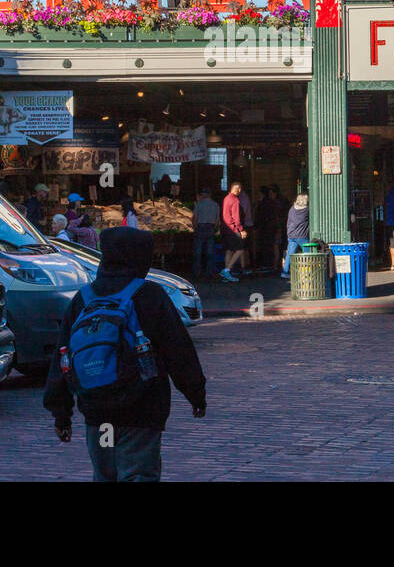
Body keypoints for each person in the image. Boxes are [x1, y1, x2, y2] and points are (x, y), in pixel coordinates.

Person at [43, 227, 206, 481]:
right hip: (141, 410)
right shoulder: (149, 295)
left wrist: (61, 414)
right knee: (137, 474)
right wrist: (195, 394)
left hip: (96, 410)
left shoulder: (83, 298)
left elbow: (62, 357)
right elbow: (178, 350)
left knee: (105, 475)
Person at [219, 182, 247, 283]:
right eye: (240, 189)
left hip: (225, 228)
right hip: (233, 229)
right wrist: (241, 229)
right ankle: (227, 270)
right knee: (240, 250)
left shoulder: (226, 198)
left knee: (229, 250)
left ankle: (226, 275)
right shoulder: (235, 200)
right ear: (238, 189)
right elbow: (236, 217)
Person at [191, 189, 220, 278]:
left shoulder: (199, 204)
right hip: (210, 228)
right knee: (210, 251)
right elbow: (217, 219)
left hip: (201, 227)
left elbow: (194, 218)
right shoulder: (215, 205)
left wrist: (195, 227)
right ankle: (209, 272)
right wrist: (215, 227)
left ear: (203, 195)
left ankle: (197, 272)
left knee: (198, 251)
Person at [282, 193, 310, 279]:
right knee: (309, 253)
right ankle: (308, 272)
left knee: (290, 254)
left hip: (291, 234)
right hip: (301, 236)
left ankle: (284, 272)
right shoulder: (307, 210)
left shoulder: (292, 209)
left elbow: (289, 222)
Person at [255, 186, 279, 271]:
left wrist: (257, 226)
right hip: (270, 228)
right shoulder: (271, 202)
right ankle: (270, 264)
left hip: (265, 228)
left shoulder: (264, 203)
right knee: (270, 246)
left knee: (265, 246)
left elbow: (261, 216)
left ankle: (266, 264)